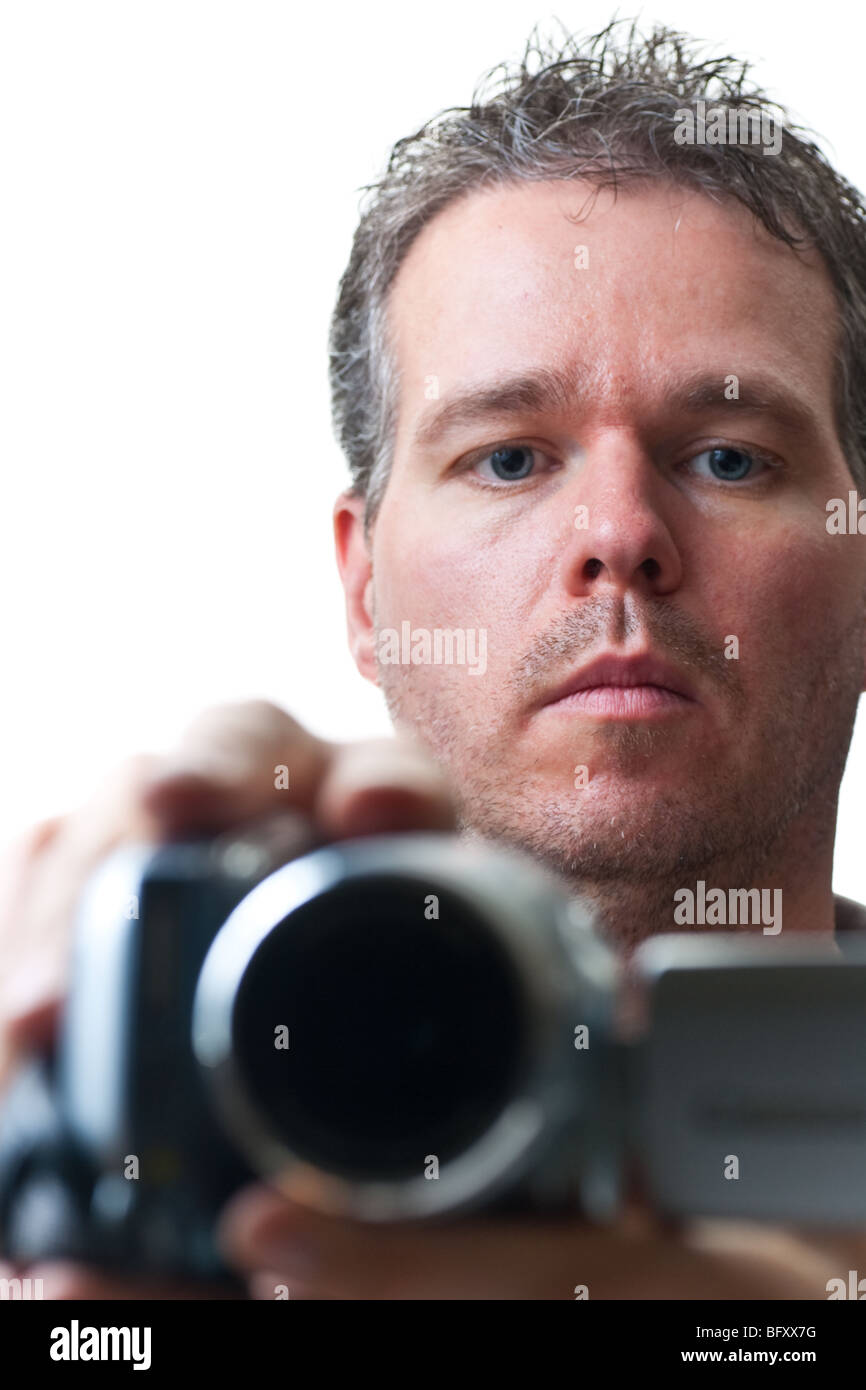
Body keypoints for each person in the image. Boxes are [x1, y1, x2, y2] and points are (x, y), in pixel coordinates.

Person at [2, 18, 866, 1300]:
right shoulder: (144, 1191)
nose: (618, 535)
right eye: (507, 457)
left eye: (728, 457)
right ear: (364, 586)